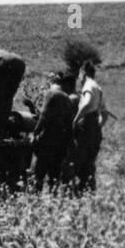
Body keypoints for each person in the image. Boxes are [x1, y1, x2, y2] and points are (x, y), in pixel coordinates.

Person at [32, 70, 76, 190]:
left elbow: (44, 116)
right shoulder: (67, 98)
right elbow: (69, 124)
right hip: (60, 144)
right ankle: (53, 199)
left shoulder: (51, 94)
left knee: (39, 174)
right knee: (54, 176)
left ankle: (35, 197)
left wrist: (35, 133)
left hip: (47, 140)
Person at [70, 59, 105, 193]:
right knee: (90, 162)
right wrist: (97, 127)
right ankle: (90, 191)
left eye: (79, 74)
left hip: (86, 124)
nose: (79, 77)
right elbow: (105, 114)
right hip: (94, 125)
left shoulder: (88, 85)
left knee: (78, 159)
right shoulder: (98, 87)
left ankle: (75, 192)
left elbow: (87, 103)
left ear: (83, 72)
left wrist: (76, 119)